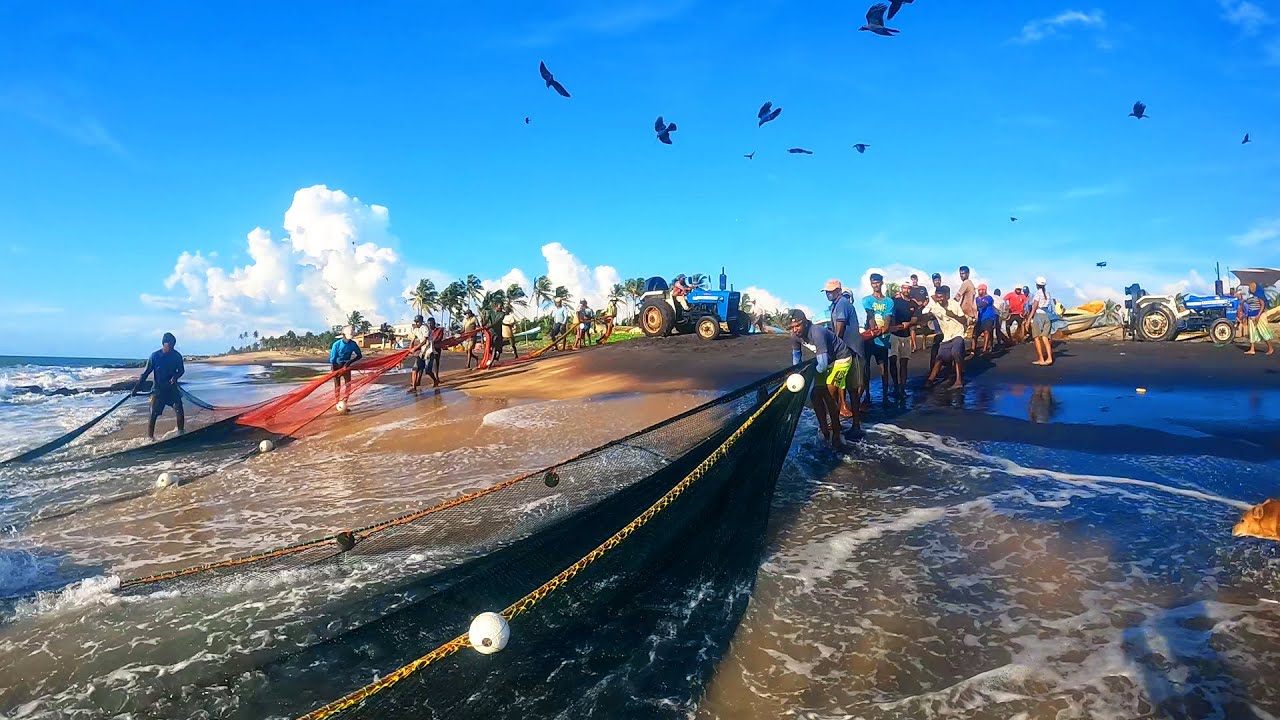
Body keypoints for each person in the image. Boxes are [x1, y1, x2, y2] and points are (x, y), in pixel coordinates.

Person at [790, 308, 856, 449]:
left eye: (798, 326)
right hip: (825, 361)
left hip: (841, 359)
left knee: (829, 394)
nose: (795, 330)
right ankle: (824, 430)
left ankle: (836, 433)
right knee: (815, 395)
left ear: (805, 323)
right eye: (792, 327)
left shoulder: (817, 332)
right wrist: (797, 374)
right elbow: (796, 357)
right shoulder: (794, 336)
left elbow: (823, 364)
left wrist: (809, 375)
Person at [823, 279, 864, 425]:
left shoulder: (842, 304)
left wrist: (832, 348)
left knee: (853, 387)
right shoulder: (835, 305)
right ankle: (837, 420)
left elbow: (839, 330)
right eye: (827, 291)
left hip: (853, 350)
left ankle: (856, 424)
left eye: (831, 291)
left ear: (839, 291)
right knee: (840, 384)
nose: (828, 294)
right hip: (844, 351)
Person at [137, 332, 186, 441]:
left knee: (179, 410)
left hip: (172, 389)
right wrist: (136, 387)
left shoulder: (177, 356)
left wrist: (175, 377)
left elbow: (181, 370)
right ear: (164, 344)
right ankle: (150, 439)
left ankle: (181, 433)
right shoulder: (154, 356)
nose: (171, 347)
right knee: (153, 414)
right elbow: (146, 373)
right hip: (158, 390)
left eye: (173, 345)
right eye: (170, 345)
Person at [920, 286, 969, 389]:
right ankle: (930, 380)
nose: (939, 300)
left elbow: (964, 320)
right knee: (940, 358)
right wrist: (926, 317)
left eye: (941, 297)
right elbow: (925, 313)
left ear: (946, 296)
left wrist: (953, 315)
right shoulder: (935, 307)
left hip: (958, 333)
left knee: (956, 353)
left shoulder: (954, 304)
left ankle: (959, 381)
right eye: (937, 297)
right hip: (946, 336)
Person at [862, 273, 895, 402]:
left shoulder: (889, 301)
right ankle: (867, 395)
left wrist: (885, 328)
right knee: (866, 368)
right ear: (871, 284)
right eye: (873, 282)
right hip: (870, 340)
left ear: (881, 283)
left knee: (883, 368)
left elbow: (888, 317)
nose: (876, 285)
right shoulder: (867, 300)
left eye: (877, 282)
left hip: (883, 339)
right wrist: (873, 330)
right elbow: (870, 315)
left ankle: (885, 396)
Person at [888, 281, 920, 397]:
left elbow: (915, 318)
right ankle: (895, 386)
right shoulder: (894, 301)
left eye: (908, 288)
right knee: (892, 360)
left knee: (904, 363)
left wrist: (908, 323)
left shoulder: (913, 303)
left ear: (911, 289)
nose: (906, 290)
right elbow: (889, 315)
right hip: (894, 335)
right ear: (901, 288)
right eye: (904, 288)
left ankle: (902, 388)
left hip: (906, 336)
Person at [328, 325, 363, 401]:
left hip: (346, 366)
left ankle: (345, 401)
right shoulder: (336, 344)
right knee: (337, 386)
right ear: (343, 335)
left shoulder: (353, 344)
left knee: (348, 385)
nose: (348, 339)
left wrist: (350, 362)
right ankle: (337, 402)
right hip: (336, 366)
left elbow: (359, 355)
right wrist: (334, 371)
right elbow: (333, 360)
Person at [1029, 277, 1056, 366]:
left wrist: (1028, 319)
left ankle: (1041, 359)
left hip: (1039, 316)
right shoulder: (1048, 293)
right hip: (1046, 316)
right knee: (1045, 338)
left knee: (1036, 337)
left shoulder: (1038, 293)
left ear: (1037, 285)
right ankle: (1049, 358)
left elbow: (1034, 307)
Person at [1243, 284, 1275, 355]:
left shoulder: (1259, 295)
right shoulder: (1250, 296)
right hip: (1251, 315)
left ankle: (1270, 348)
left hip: (1258, 315)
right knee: (1252, 332)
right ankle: (1252, 349)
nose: (1250, 288)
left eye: (1252, 287)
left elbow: (1262, 305)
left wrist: (1258, 315)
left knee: (1263, 331)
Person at [908, 274, 930, 352]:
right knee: (912, 328)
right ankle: (915, 346)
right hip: (914, 311)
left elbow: (927, 298)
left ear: (917, 279)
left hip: (923, 310)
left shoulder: (923, 288)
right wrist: (917, 302)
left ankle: (924, 344)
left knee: (924, 327)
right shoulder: (910, 289)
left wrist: (925, 303)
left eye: (915, 279)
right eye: (912, 279)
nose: (914, 281)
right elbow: (909, 298)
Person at [408, 315, 430, 391]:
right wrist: (410, 349)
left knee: (425, 370)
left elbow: (425, 341)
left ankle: (415, 385)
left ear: (421, 322)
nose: (416, 323)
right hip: (422, 351)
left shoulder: (425, 328)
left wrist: (415, 348)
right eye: (416, 322)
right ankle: (415, 385)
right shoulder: (416, 330)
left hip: (428, 350)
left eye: (418, 322)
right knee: (417, 368)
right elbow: (413, 340)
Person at [975, 284, 998, 355]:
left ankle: (985, 349)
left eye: (980, 290)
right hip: (980, 318)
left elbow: (983, 304)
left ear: (984, 290)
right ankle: (973, 351)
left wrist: (973, 306)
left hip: (989, 317)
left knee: (987, 331)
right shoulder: (976, 299)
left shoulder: (989, 298)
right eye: (978, 290)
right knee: (974, 334)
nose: (979, 291)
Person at [423, 317, 445, 386]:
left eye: (431, 323)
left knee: (436, 362)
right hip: (429, 349)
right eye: (428, 323)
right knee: (427, 363)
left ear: (434, 323)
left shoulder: (440, 330)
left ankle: (437, 377)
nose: (429, 325)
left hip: (436, 348)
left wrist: (431, 341)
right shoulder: (427, 331)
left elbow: (439, 338)